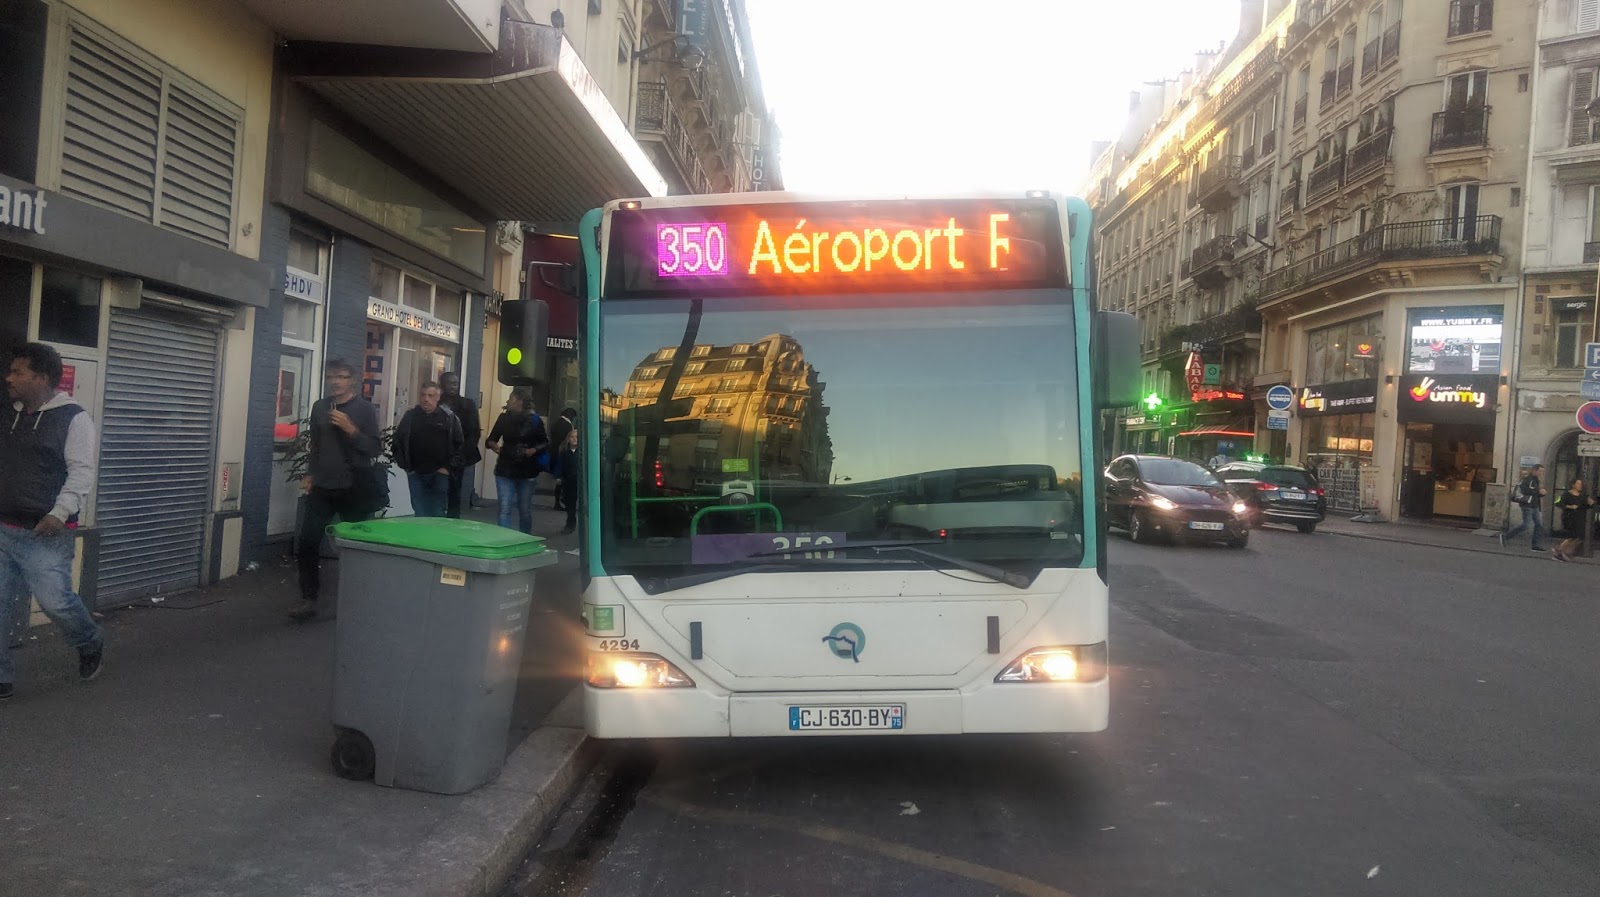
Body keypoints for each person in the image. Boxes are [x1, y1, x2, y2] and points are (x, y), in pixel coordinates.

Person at [0, 343, 103, 699]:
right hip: (3, 529)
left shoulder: (74, 418)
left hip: (43, 533)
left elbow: (81, 473)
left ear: (42, 378)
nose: (9, 377)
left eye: (18, 372)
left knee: (55, 603)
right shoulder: (8, 414)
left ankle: (88, 640)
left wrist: (59, 513)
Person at [293, 360, 382, 621]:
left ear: (352, 380)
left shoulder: (364, 410)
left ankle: (359, 598)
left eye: (341, 377)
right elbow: (316, 445)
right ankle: (308, 599)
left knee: (355, 546)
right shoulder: (320, 407)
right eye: (331, 376)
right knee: (307, 541)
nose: (335, 381)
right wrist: (310, 473)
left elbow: (374, 449)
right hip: (323, 485)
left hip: (354, 485)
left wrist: (351, 429)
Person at [394, 381, 463, 518]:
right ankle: (420, 539)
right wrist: (407, 467)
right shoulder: (410, 417)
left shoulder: (449, 418)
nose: (426, 399)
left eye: (431, 395)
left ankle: (436, 539)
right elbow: (398, 442)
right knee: (419, 512)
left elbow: (459, 445)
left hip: (440, 473)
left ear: (438, 397)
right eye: (423, 395)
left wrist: (448, 468)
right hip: (416, 473)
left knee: (437, 512)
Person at [485, 390, 547, 534]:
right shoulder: (504, 418)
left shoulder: (535, 420)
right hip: (505, 469)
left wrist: (533, 450)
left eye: (511, 399)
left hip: (528, 470)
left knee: (524, 509)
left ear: (520, 402)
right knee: (504, 508)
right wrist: (498, 449)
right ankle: (503, 540)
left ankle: (525, 538)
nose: (507, 402)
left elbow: (545, 442)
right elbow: (491, 439)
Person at [438, 372, 480, 519]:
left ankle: (452, 522)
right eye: (449, 383)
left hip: (459, 456)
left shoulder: (467, 404)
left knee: (455, 493)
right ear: (443, 384)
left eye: (455, 383)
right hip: (438, 455)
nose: (453, 386)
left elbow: (474, 431)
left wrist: (462, 454)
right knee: (437, 492)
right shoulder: (436, 404)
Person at [1500, 463, 1549, 553]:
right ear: (1534, 470)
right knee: (1526, 525)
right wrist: (1539, 491)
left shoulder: (1536, 480)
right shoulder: (1528, 479)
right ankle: (1506, 536)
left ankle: (1535, 545)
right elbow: (1525, 490)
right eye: (1540, 471)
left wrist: (1541, 494)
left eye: (1542, 471)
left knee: (1539, 525)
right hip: (1528, 506)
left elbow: (1534, 494)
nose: (1541, 473)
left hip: (1534, 505)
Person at [1552, 478, 1597, 562]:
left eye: (1581, 484)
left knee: (1579, 537)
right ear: (1573, 485)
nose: (1580, 486)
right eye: (1578, 484)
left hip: (1579, 518)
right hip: (1569, 517)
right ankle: (1558, 551)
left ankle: (1567, 552)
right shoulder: (1566, 495)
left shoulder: (1583, 495)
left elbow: (1588, 505)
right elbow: (1557, 503)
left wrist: (1591, 503)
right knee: (1571, 536)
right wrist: (1569, 506)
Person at [548, 407, 576, 511]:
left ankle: (558, 502)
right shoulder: (567, 425)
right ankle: (561, 501)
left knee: (559, 480)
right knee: (563, 480)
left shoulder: (557, 423)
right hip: (563, 455)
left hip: (554, 453)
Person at [555, 423, 580, 534]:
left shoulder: (582, 453)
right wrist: (558, 476)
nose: (575, 439)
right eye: (572, 437)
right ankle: (570, 523)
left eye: (577, 437)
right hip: (568, 481)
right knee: (570, 504)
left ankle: (573, 523)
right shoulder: (564, 452)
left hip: (579, 481)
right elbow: (559, 466)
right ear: (568, 439)